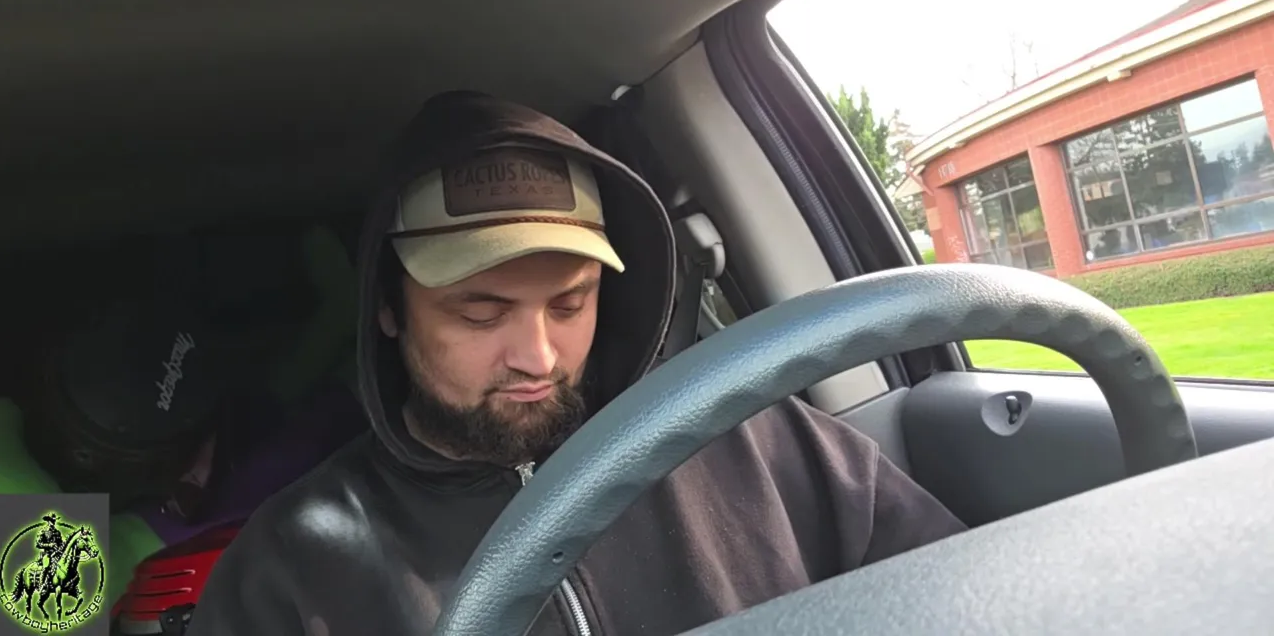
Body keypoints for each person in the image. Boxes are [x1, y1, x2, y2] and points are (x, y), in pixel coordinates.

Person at [190, 91, 966, 635]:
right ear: (388, 310)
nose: (538, 357)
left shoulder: (749, 437)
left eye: (569, 304)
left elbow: (956, 596)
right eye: (480, 312)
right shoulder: (288, 566)